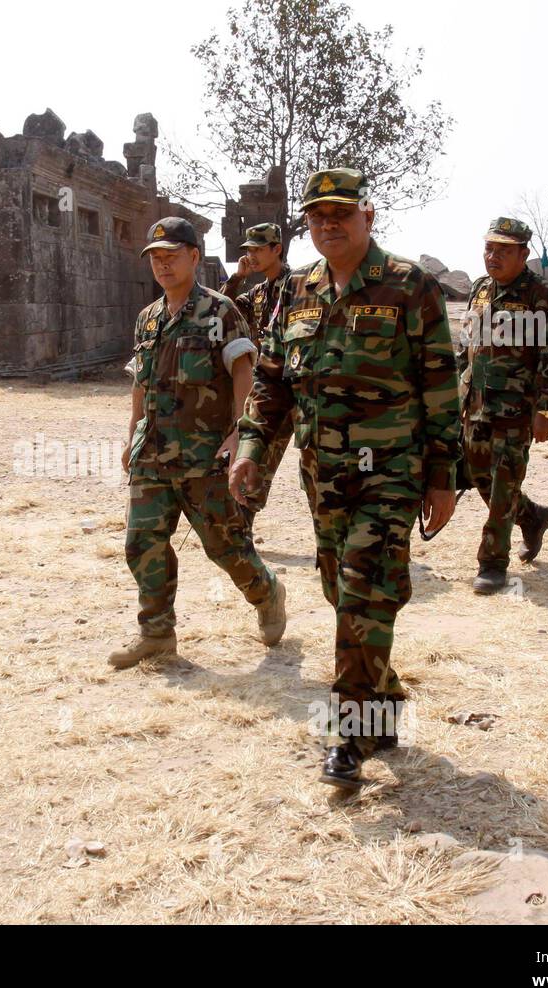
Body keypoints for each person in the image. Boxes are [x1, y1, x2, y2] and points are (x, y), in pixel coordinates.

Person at [229, 169, 460, 788]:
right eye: (317, 215)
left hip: (390, 472)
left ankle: (348, 732)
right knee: (343, 590)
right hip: (322, 474)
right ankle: (381, 699)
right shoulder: (298, 291)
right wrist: (251, 444)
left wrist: (443, 478)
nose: (328, 224)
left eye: (341, 213)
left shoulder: (411, 287)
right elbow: (273, 378)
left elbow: (441, 388)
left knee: (361, 589)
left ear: (368, 217)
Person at [110, 217, 286, 669]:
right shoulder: (147, 318)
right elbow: (139, 385)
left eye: (172, 256)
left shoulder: (221, 311)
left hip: (205, 454)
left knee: (225, 547)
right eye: (156, 258)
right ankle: (156, 634)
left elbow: (243, 371)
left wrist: (239, 432)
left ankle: (267, 593)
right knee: (141, 541)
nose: (163, 265)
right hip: (153, 452)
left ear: (193, 256)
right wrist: (132, 434)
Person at [458, 217, 548, 593]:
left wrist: (547, 409)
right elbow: (466, 350)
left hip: (517, 409)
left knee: (504, 483)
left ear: (523, 254)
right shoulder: (479, 290)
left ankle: (492, 563)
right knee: (479, 478)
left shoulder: (542, 295)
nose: (493, 256)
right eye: (489, 248)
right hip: (475, 405)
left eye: (503, 251)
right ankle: (534, 517)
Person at [220, 223, 294, 536]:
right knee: (258, 452)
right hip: (272, 390)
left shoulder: (301, 286)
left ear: (277, 249)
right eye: (248, 250)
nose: (251, 255)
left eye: (257, 249)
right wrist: (237, 278)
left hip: (301, 386)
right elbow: (224, 310)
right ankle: (241, 526)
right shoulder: (260, 292)